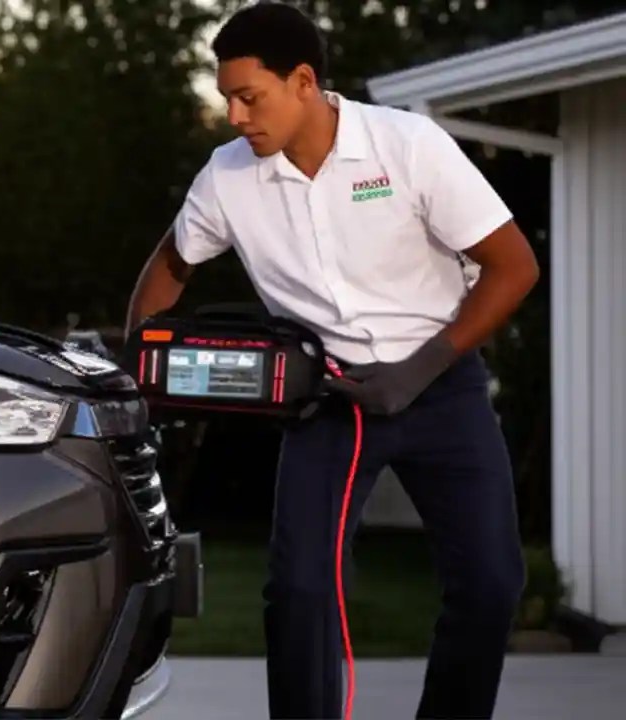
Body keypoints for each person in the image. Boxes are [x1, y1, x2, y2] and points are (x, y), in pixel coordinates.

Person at [124, 3, 541, 719]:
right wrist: (142, 361)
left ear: (305, 83)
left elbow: (514, 267)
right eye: (225, 97)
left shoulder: (408, 146)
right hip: (328, 400)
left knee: (492, 582)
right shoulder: (227, 177)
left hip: (441, 385)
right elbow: (171, 262)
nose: (232, 115)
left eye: (248, 97)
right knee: (300, 591)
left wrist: (418, 371)